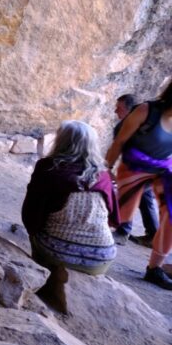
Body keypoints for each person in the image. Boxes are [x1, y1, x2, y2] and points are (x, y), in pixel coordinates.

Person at [22, 121, 119, 276]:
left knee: (36, 233)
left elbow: (31, 214)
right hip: (101, 257)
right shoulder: (104, 175)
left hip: (57, 254)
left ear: (62, 141)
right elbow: (113, 216)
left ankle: (42, 274)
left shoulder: (48, 167)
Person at [106, 78, 172, 290]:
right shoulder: (146, 111)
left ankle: (155, 269)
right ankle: (92, 242)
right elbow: (119, 142)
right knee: (120, 214)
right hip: (135, 165)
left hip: (164, 168)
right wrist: (106, 170)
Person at [112, 93, 159, 247]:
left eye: (118, 108)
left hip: (145, 169)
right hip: (156, 169)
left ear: (128, 109)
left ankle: (123, 231)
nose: (115, 112)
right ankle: (153, 235)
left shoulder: (126, 124)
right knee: (145, 199)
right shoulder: (149, 123)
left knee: (129, 193)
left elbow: (120, 148)